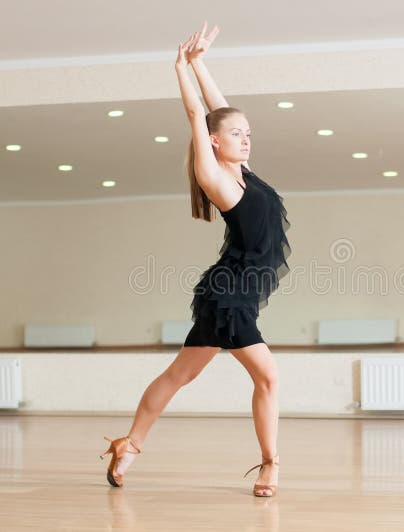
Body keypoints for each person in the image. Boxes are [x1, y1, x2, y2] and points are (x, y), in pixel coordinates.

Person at [101, 22, 290, 498]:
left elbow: (219, 110)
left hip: (232, 290)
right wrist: (179, 69)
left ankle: (129, 444)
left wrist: (200, 62)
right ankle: (270, 465)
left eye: (248, 133)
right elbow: (198, 114)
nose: (246, 139)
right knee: (267, 377)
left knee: (179, 375)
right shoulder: (216, 177)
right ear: (214, 141)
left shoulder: (242, 171)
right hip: (230, 295)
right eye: (236, 135)